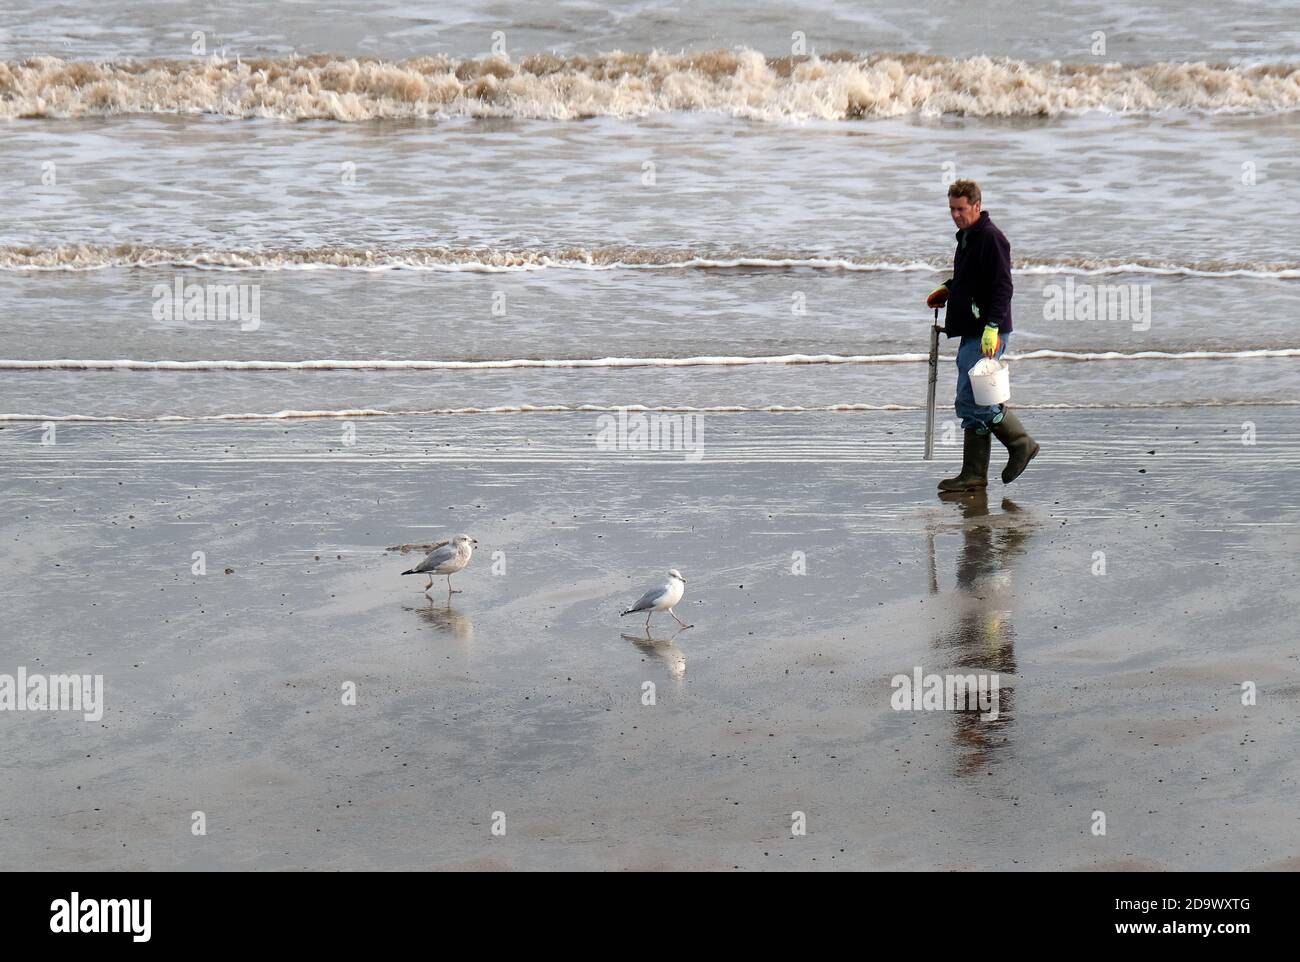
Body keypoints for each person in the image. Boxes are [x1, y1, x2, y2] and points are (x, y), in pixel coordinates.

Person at [926, 180, 1039, 492]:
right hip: (972, 329)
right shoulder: (968, 238)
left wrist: (993, 326)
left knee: (974, 399)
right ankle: (973, 475)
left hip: (988, 332)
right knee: (972, 399)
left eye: (961, 209)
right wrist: (948, 289)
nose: (955, 215)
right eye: (951, 209)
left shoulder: (991, 238)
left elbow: (1003, 287)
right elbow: (971, 279)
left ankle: (1021, 444)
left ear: (976, 206)